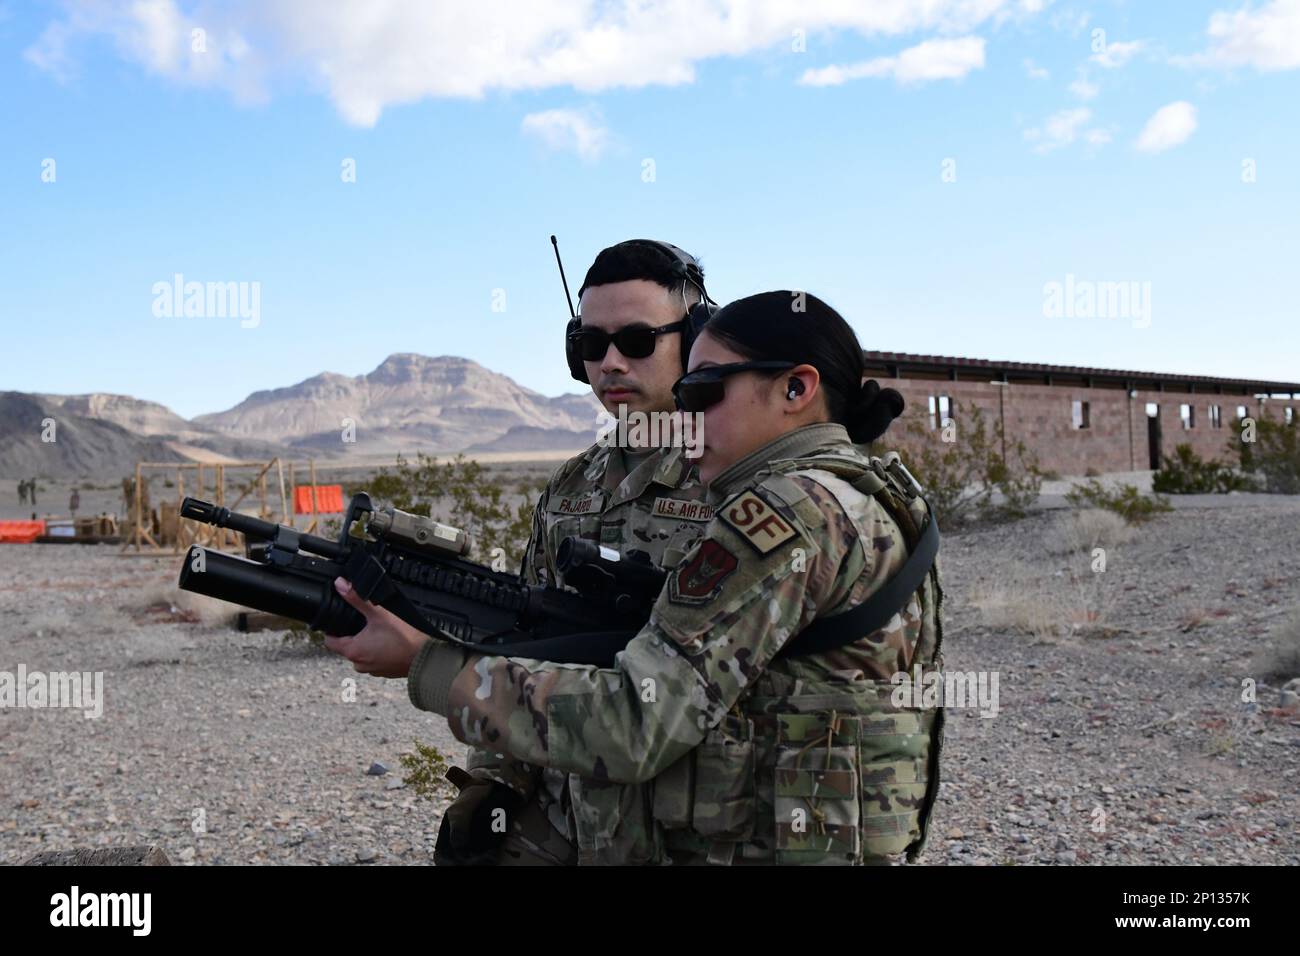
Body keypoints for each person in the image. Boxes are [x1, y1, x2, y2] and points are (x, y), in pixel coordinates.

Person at [328, 290, 945, 865]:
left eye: (703, 391)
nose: (684, 414)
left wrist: (425, 664)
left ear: (795, 389)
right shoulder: (869, 491)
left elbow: (635, 719)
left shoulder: (785, 512)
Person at [437, 239, 719, 865]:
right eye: (593, 345)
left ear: (696, 337)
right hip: (573, 819)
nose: (611, 363)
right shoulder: (571, 486)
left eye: (638, 341)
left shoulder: (738, 481)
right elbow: (523, 639)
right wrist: (495, 781)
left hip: (696, 826)